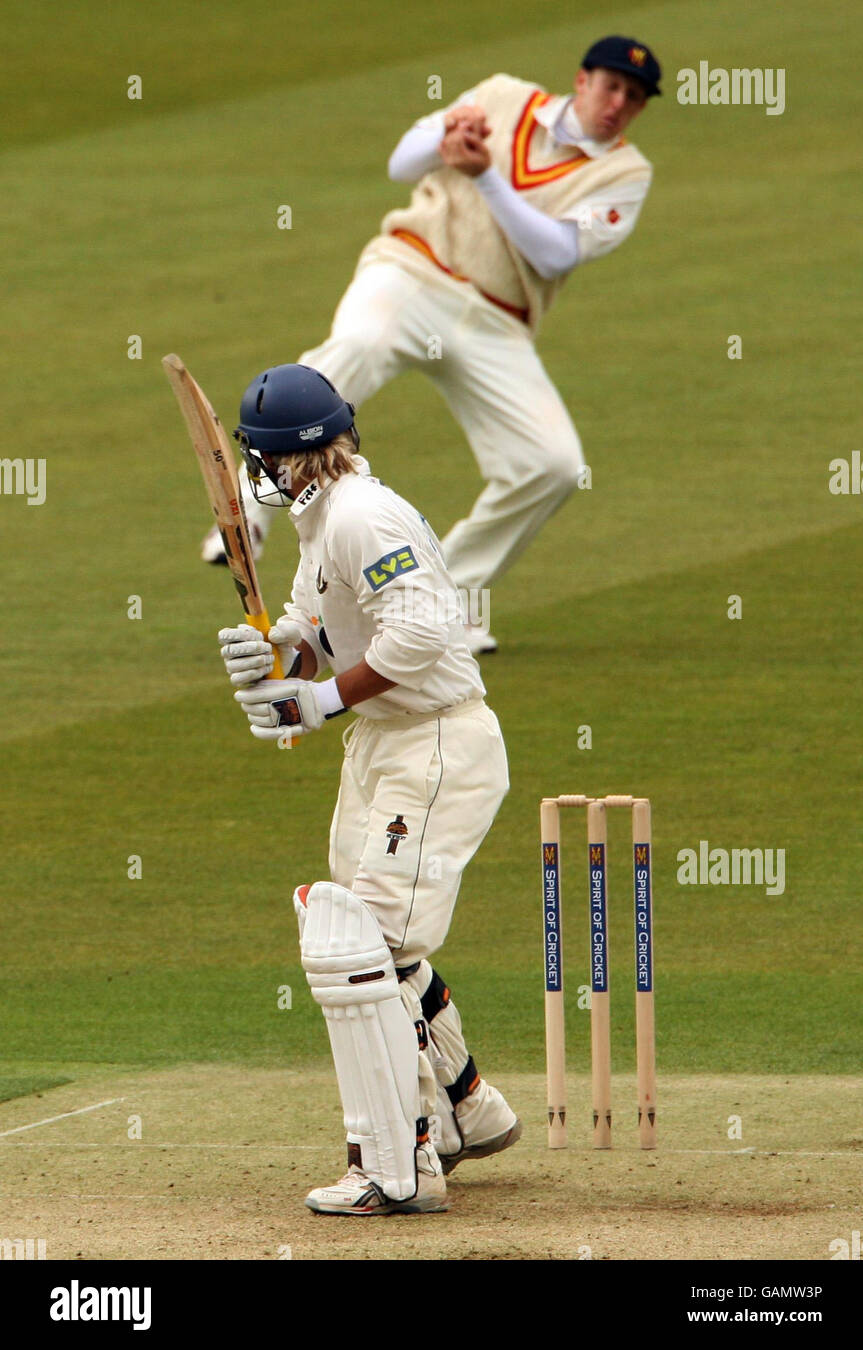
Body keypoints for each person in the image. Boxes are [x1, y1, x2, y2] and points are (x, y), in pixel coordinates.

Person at [203, 36, 661, 653]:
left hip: (497, 318)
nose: (618, 103)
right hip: (412, 270)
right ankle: (247, 519)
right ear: (581, 80)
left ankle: (446, 603)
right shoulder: (502, 96)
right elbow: (403, 162)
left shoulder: (626, 174)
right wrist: (445, 135)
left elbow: (555, 252)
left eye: (634, 97)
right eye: (611, 86)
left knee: (551, 464)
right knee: (349, 353)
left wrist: (485, 175)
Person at [219, 362, 519, 1214]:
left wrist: (319, 699)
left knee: (366, 950)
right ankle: (465, 1108)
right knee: (361, 934)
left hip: (433, 742)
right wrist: (282, 660)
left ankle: (399, 1168)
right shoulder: (329, 523)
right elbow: (330, 631)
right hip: (387, 744)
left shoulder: (359, 516)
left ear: (278, 461)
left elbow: (422, 630)